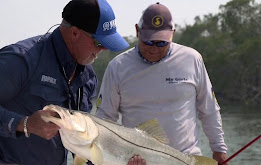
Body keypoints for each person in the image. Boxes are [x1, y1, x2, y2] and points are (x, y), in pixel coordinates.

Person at [0, 0, 129, 164]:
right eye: (99, 43)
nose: (104, 50)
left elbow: (83, 144)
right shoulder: (22, 59)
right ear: (74, 33)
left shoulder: (88, 77)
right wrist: (25, 124)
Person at [96, 2, 228, 165]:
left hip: (187, 159)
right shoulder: (117, 67)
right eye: (148, 42)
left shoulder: (193, 59)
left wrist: (219, 150)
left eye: (161, 43)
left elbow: (209, 110)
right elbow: (104, 120)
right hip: (138, 160)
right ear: (137, 31)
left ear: (172, 34)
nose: (154, 49)